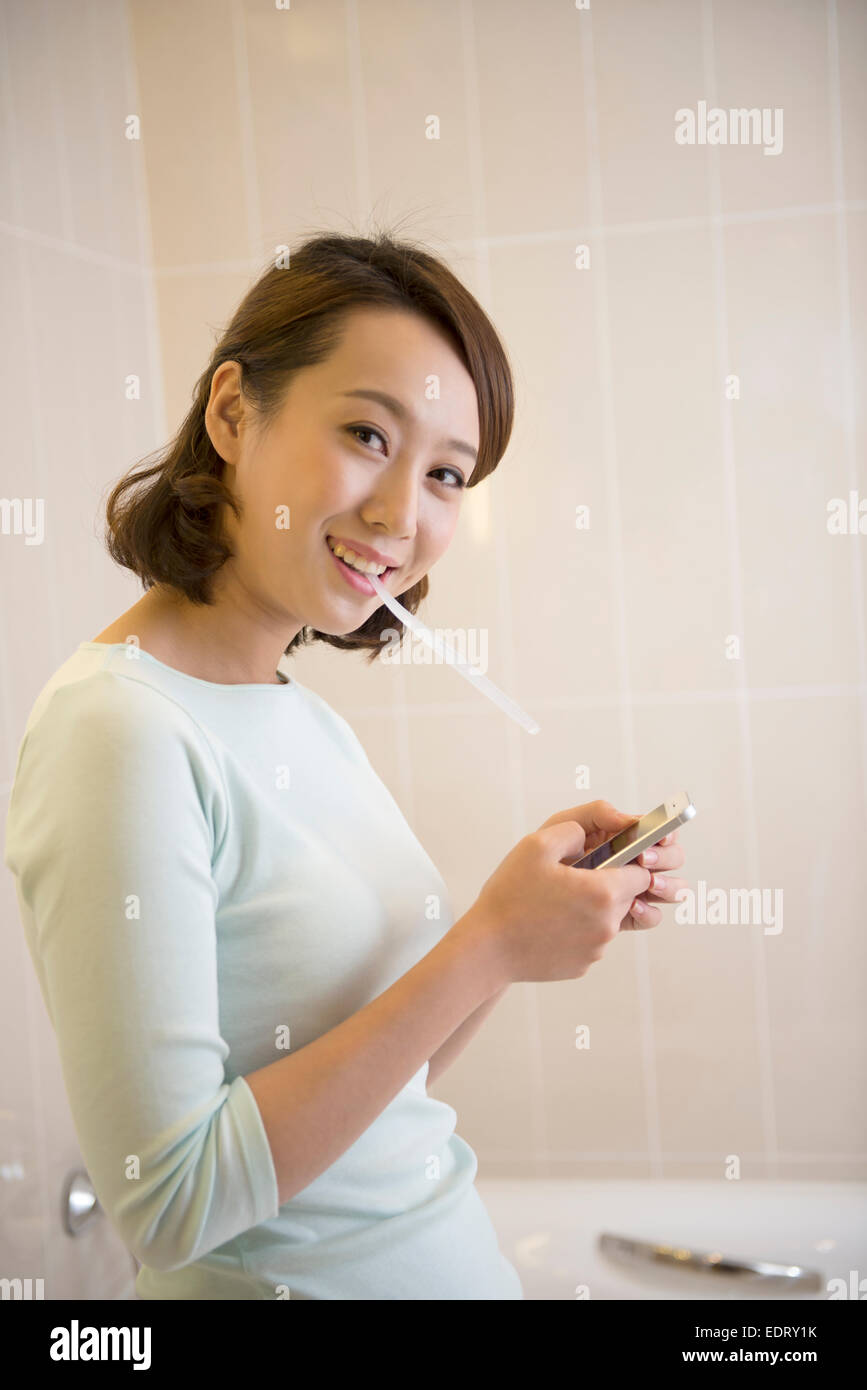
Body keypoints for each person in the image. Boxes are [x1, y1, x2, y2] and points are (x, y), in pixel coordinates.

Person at [3, 231, 687, 1300]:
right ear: (233, 412)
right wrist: (488, 940)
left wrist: (515, 938)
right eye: (368, 433)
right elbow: (168, 1203)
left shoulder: (299, 718)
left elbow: (376, 1093)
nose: (401, 516)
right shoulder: (119, 729)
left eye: (447, 474)